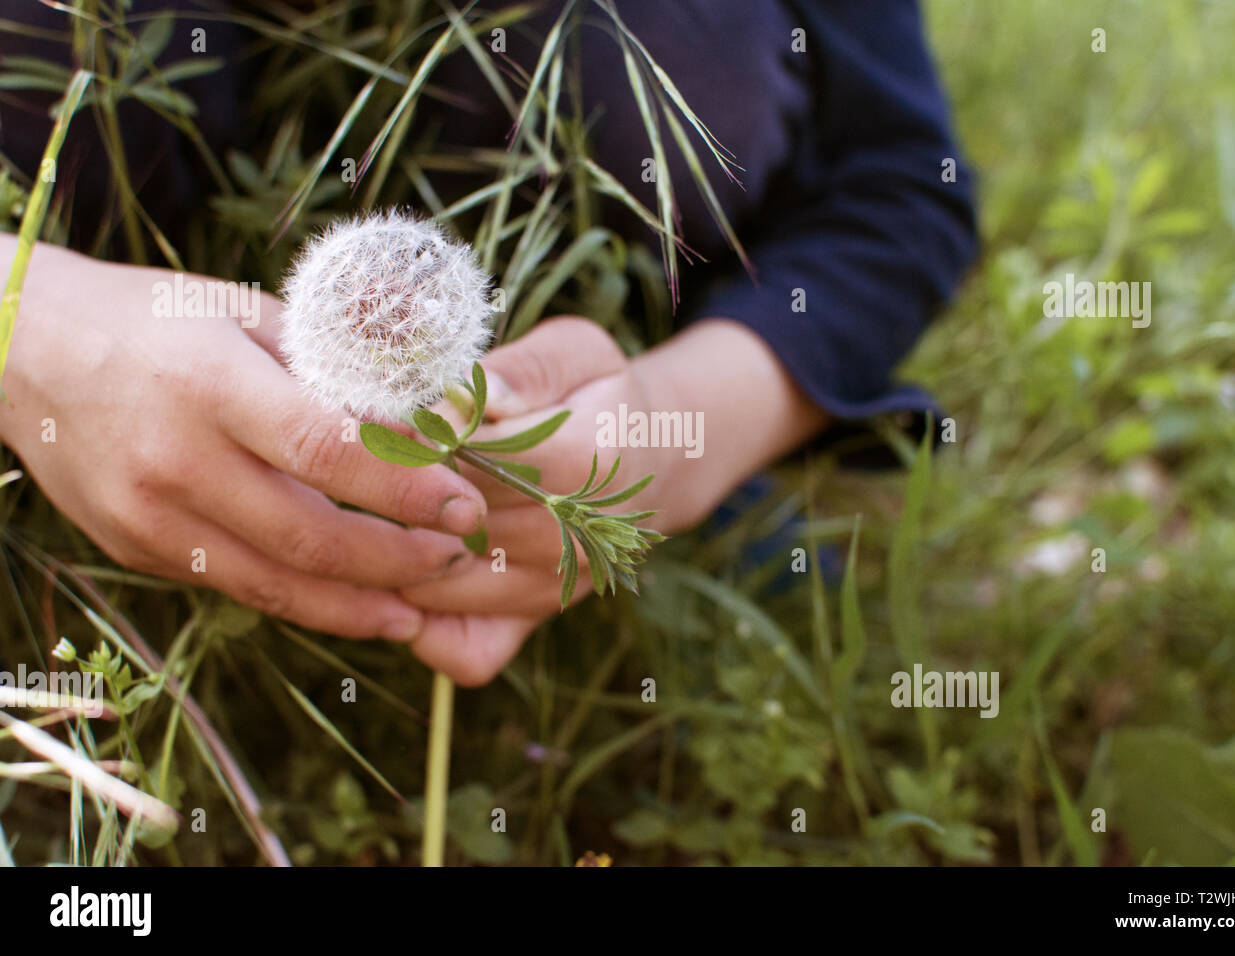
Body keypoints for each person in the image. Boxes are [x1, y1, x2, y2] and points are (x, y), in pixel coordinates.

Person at [0, 0, 977, 684]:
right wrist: (29, 319)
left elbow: (901, 182)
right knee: (62, 29)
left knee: (666, 37)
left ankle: (648, 423)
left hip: (596, 360)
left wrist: (683, 425)